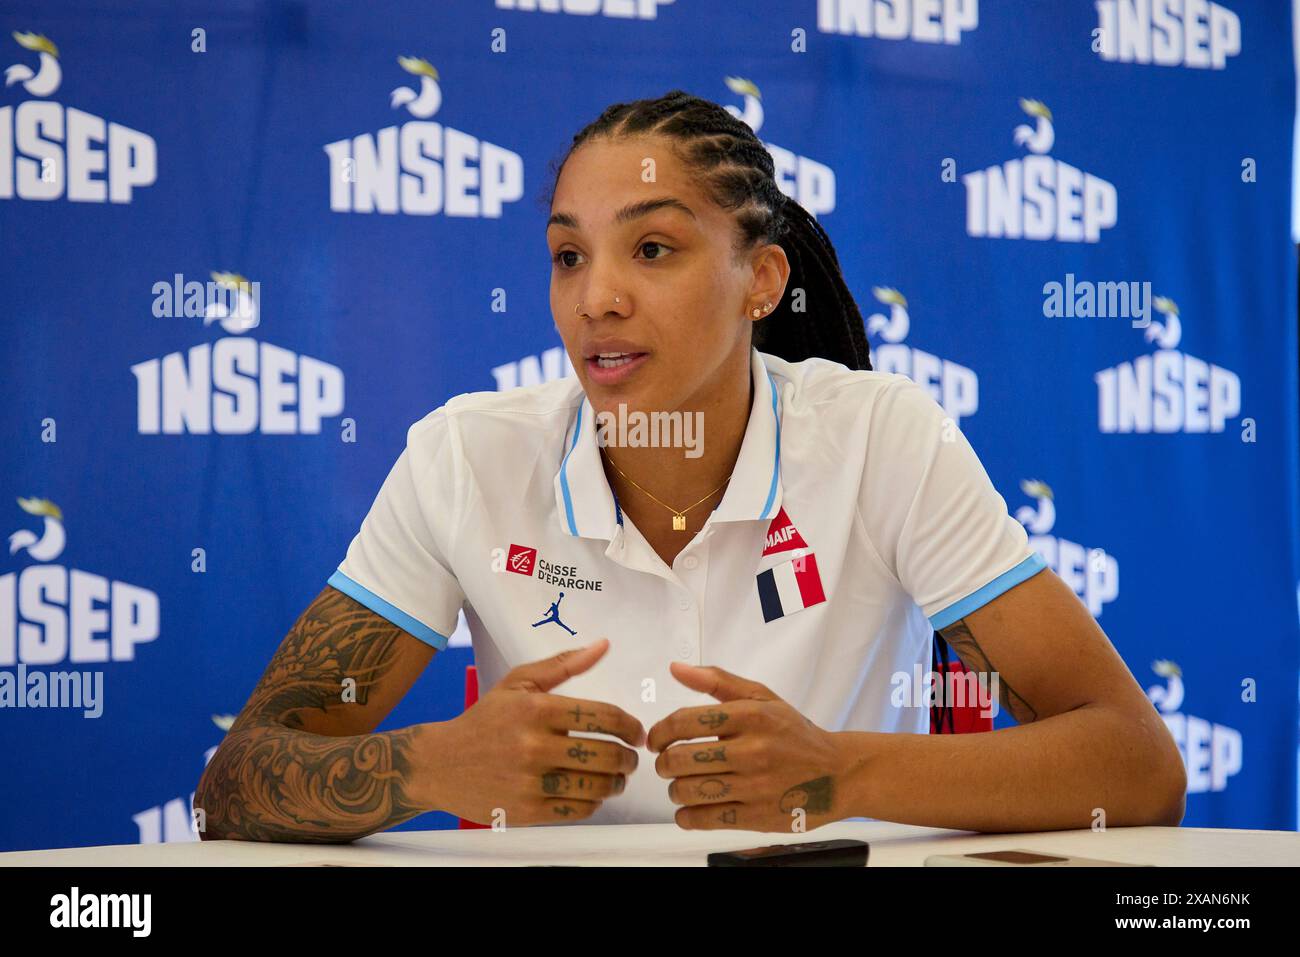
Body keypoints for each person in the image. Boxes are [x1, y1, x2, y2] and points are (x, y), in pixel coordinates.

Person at [194, 90, 1186, 843]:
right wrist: (423, 767)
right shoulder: (466, 455)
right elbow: (231, 784)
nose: (597, 299)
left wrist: (839, 773)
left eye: (653, 249)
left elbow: (1137, 764)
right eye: (569, 256)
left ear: (761, 279)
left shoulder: (884, 439)